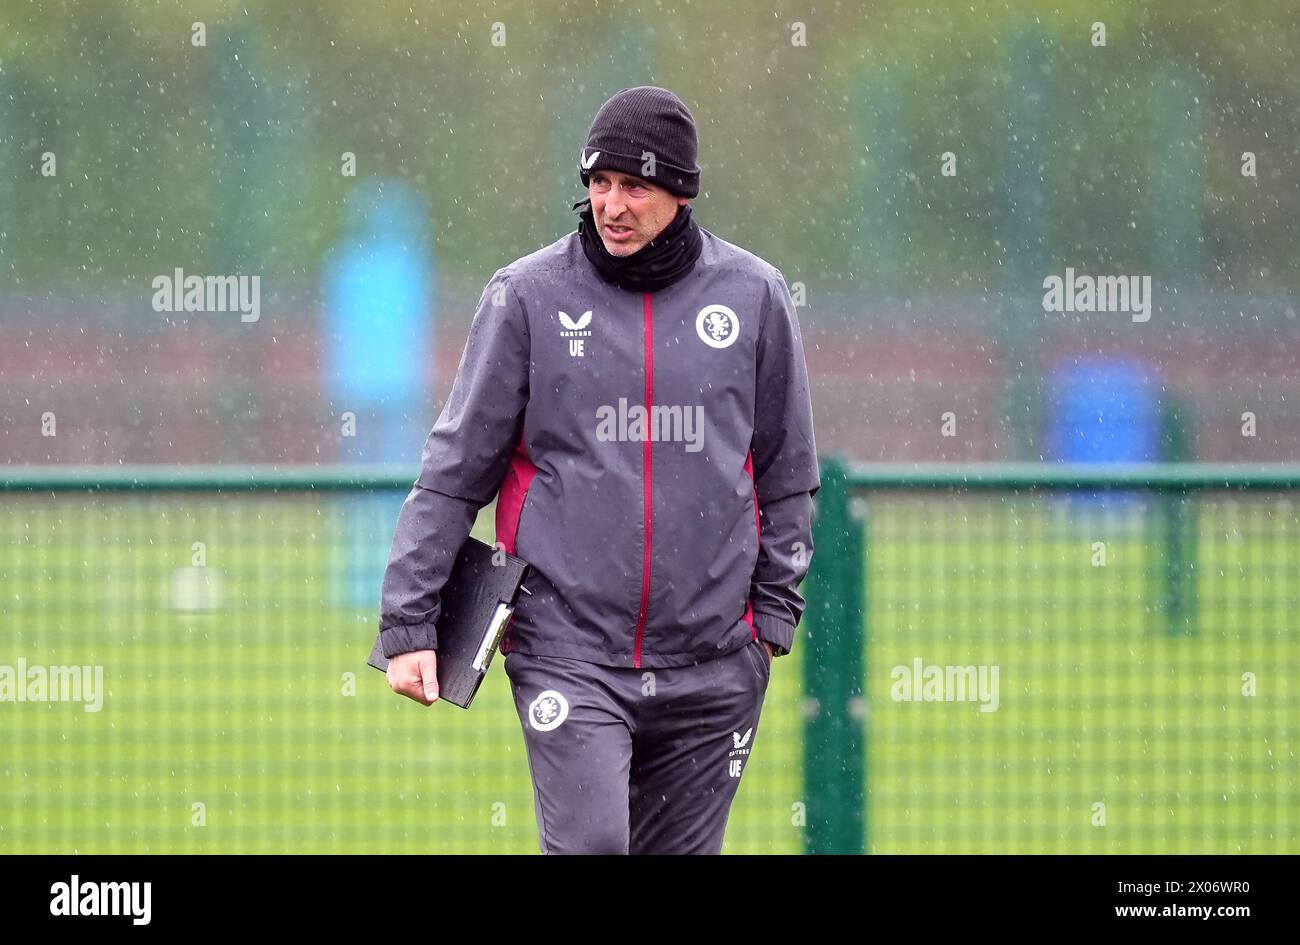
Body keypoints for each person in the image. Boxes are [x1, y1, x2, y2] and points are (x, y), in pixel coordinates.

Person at [377, 86, 820, 854]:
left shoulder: (755, 297)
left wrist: (769, 621)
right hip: (567, 652)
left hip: (714, 663)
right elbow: (453, 471)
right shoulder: (526, 296)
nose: (612, 205)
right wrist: (408, 623)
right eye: (599, 183)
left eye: (635, 187)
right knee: (592, 847)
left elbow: (786, 470)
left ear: (681, 193)